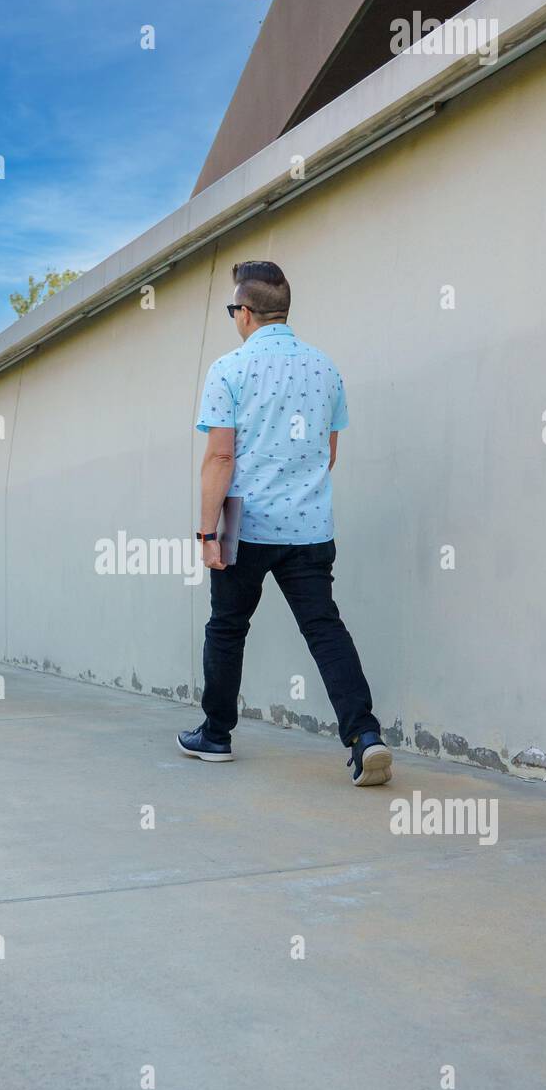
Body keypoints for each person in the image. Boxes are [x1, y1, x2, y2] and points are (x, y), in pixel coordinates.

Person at [177, 260, 392, 787]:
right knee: (324, 629)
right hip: (309, 528)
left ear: (245, 313)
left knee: (226, 629)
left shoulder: (228, 369)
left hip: (244, 527)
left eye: (234, 310)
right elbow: (329, 452)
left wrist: (207, 533)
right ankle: (365, 737)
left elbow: (219, 459)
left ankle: (217, 735)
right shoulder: (325, 368)